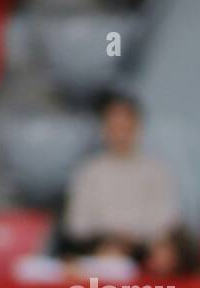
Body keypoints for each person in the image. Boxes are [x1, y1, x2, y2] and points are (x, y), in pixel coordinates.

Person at [63, 92, 180, 254]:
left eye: (126, 128)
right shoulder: (89, 171)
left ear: (138, 127)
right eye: (115, 128)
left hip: (144, 250)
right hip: (98, 249)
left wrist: (133, 237)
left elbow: (166, 219)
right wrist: (110, 238)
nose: (121, 135)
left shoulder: (156, 170)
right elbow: (77, 224)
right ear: (104, 129)